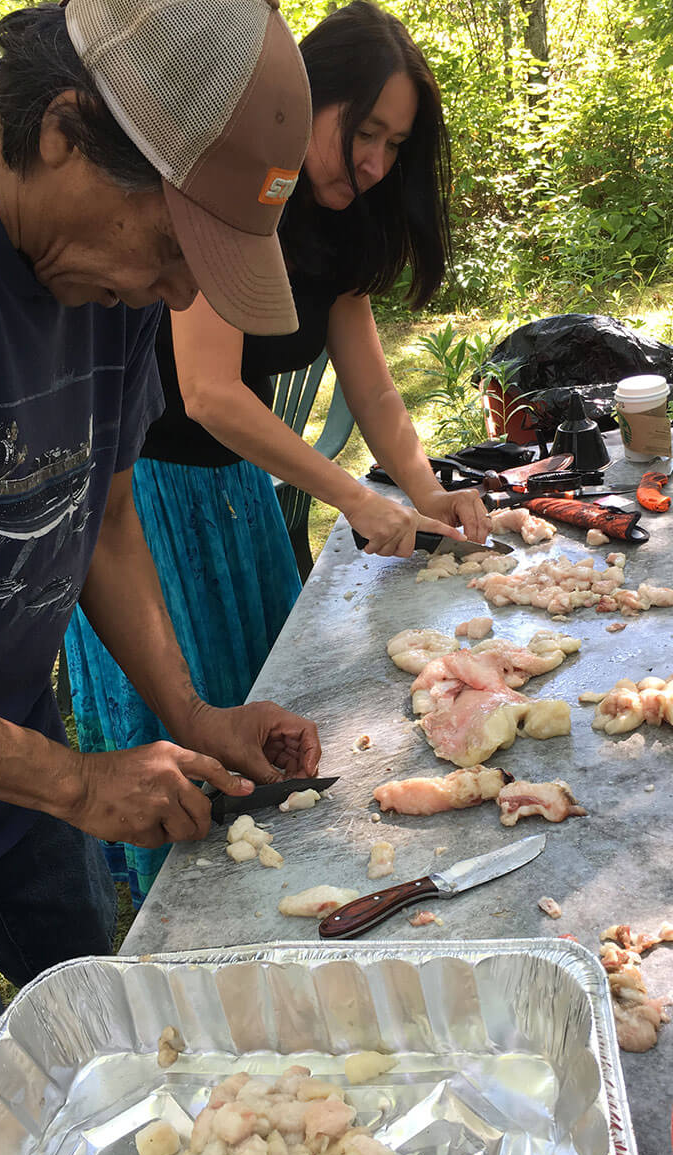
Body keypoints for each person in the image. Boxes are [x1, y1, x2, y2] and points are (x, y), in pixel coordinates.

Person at [0, 0, 319, 1146]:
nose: (183, 296)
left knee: (131, 1086)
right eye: (173, 248)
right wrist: (76, 783)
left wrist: (190, 714)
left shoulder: (99, 258)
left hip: (10, 746)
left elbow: (98, 514)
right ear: (64, 129)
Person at [62, 0, 486, 900]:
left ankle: (284, 900)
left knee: (272, 718)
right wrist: (359, 500)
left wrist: (423, 490)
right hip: (149, 504)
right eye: (362, 131)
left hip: (238, 494)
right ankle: (182, 922)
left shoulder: (344, 220)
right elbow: (211, 393)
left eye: (394, 146)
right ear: (306, 101)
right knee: (188, 733)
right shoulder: (233, 197)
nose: (374, 163)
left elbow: (370, 386)